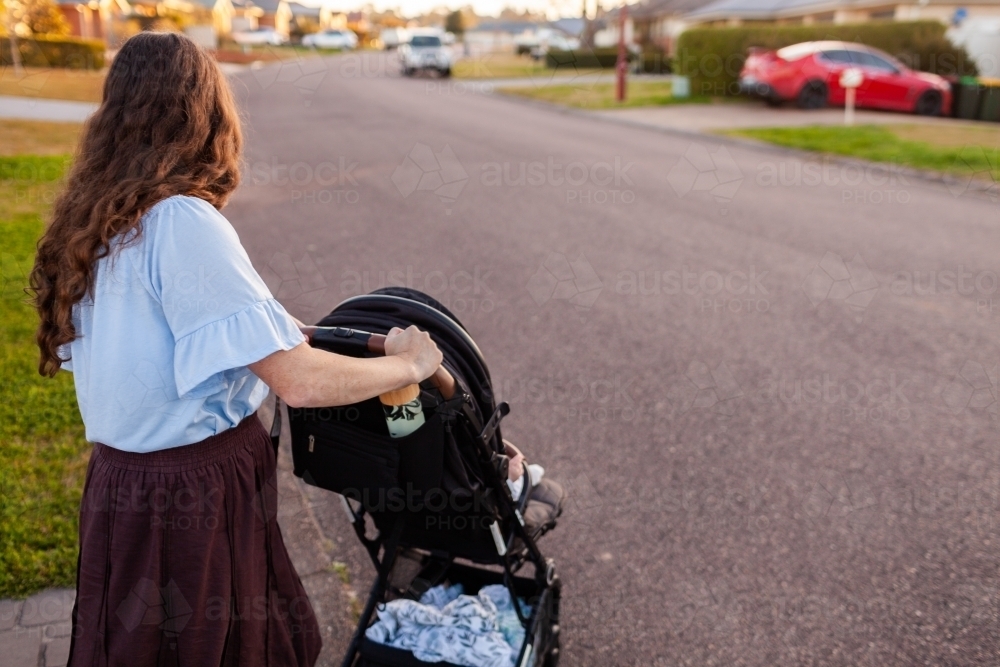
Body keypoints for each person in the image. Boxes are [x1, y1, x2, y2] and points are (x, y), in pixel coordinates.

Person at [28, 32, 442, 667]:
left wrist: (276, 330)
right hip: (193, 489)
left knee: (138, 644)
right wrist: (411, 364)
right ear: (205, 115)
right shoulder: (181, 222)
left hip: (122, 483)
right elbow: (298, 384)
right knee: (221, 646)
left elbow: (181, 329)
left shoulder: (98, 221)